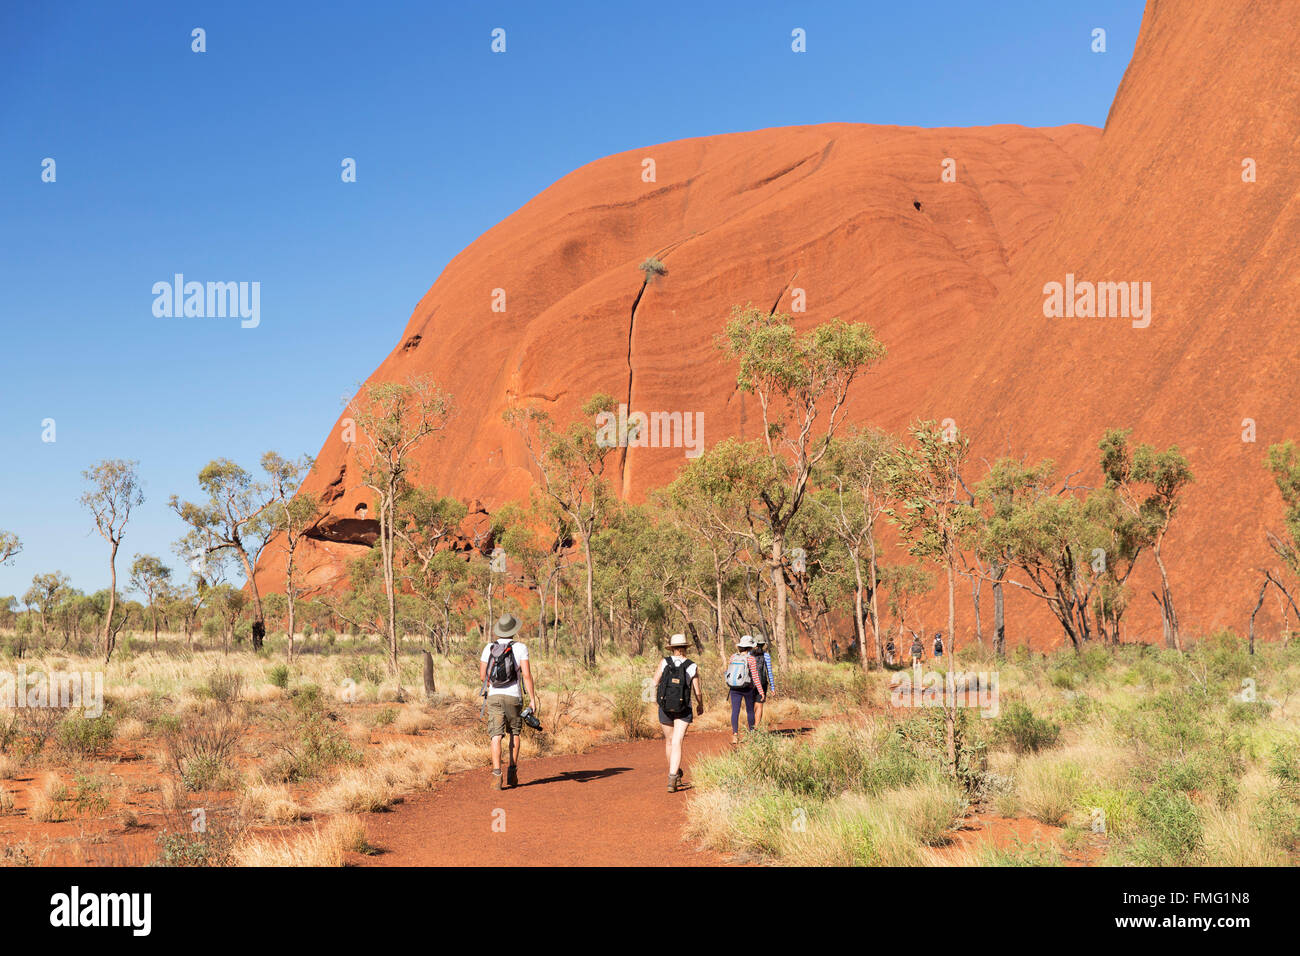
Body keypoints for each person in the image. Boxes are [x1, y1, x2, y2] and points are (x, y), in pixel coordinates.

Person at [478, 614, 537, 790]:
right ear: (514, 630)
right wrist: (532, 700)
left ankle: (497, 775)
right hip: (514, 696)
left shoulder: (488, 647)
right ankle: (512, 771)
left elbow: (483, 676)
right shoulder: (521, 648)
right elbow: (526, 675)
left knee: (496, 735)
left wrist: (496, 685)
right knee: (514, 733)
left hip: (494, 696)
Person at [653, 633, 704, 793]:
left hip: (665, 707)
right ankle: (673, 776)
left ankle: (673, 775)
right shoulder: (691, 665)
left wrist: (657, 701)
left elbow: (654, 682)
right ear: (685, 648)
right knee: (677, 741)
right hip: (684, 708)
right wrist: (700, 704)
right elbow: (697, 690)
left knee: (669, 742)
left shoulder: (664, 662)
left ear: (672, 648)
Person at [725, 635, 766, 744]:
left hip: (734, 688)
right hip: (748, 688)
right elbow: (755, 676)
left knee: (735, 711)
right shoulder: (750, 659)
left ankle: (735, 735)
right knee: (749, 711)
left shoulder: (733, 657)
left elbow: (728, 671)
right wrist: (761, 692)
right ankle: (751, 734)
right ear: (750, 647)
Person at [752, 635, 775, 727]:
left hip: (751, 684)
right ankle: (756, 727)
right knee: (760, 705)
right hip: (762, 683)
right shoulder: (766, 655)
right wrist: (772, 687)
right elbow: (769, 672)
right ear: (763, 644)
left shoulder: (750, 655)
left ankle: (751, 726)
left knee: (752, 705)